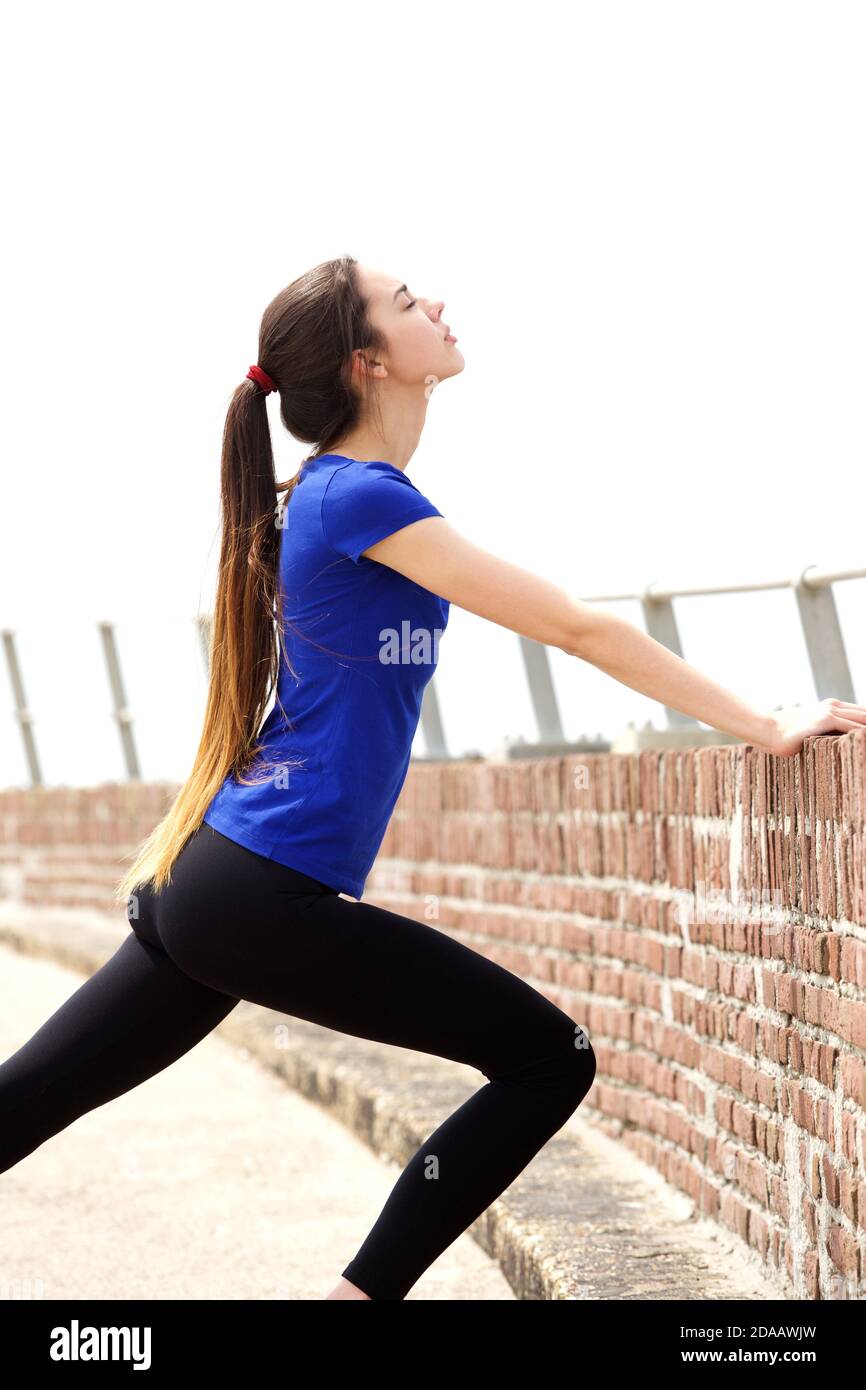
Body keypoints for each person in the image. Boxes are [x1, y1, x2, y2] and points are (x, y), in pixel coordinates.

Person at [2, 256, 864, 1301]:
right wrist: (763, 723)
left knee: (29, 1100)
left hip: (221, 879)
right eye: (407, 302)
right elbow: (570, 625)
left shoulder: (336, 498)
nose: (438, 304)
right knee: (551, 1057)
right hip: (252, 888)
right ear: (367, 359)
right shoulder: (355, 497)